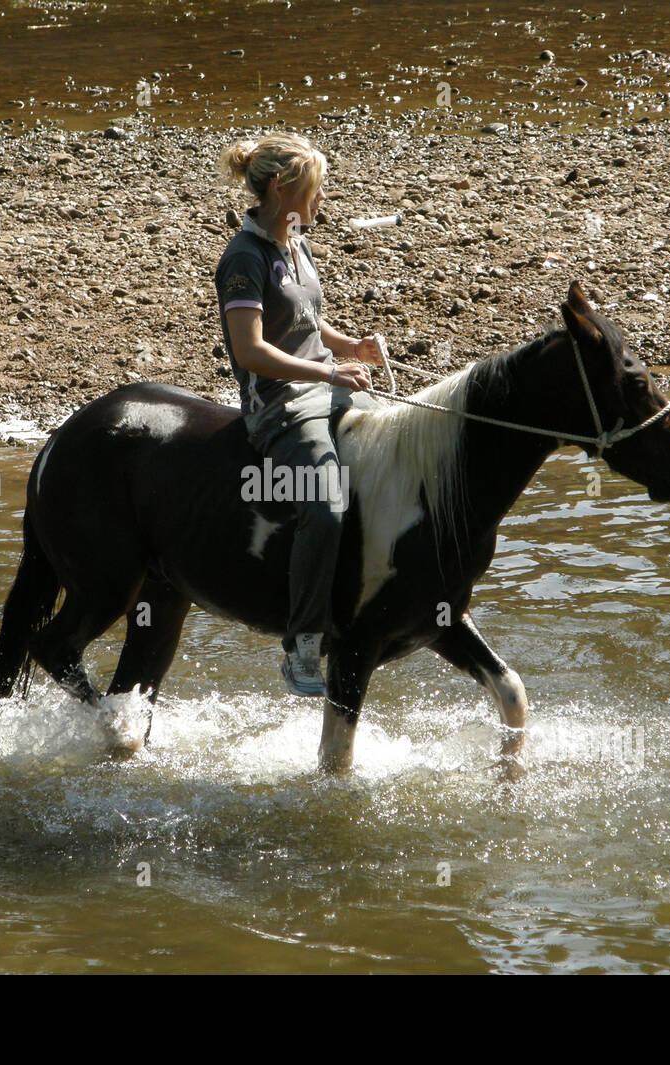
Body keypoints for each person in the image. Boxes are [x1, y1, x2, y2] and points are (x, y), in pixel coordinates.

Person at [214, 132, 383, 697]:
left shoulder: (294, 240)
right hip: (281, 406)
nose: (323, 200)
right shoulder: (244, 257)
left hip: (325, 385)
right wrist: (331, 373)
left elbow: (309, 324)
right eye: (316, 189)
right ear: (283, 189)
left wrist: (352, 346)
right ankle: (304, 642)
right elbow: (251, 351)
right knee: (327, 504)